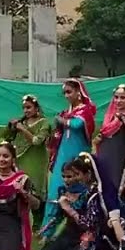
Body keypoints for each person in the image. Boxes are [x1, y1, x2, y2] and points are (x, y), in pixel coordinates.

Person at [12, 154, 96, 250]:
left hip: (83, 234)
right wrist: (46, 231)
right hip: (68, 232)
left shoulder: (88, 194)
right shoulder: (63, 191)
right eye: (64, 176)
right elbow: (58, 216)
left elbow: (87, 221)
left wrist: (68, 208)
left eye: (72, 176)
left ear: (84, 175)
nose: (67, 180)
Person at [58, 152, 121, 250]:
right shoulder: (97, 190)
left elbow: (88, 223)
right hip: (100, 241)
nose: (77, 179)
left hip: (105, 245)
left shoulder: (96, 195)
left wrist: (69, 209)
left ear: (89, 174)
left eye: (78, 174)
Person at [43, 79, 96, 233]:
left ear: (79, 93)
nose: (66, 96)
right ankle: (47, 231)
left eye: (69, 92)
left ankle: (80, 229)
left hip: (77, 155)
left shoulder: (85, 111)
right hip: (63, 154)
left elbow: (77, 125)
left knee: (79, 189)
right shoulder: (67, 113)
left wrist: (62, 121)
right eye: (64, 93)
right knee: (56, 188)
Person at [6, 94, 51, 228]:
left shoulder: (45, 123)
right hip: (22, 161)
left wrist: (22, 129)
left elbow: (37, 141)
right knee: (21, 190)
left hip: (37, 162)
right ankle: (19, 224)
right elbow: (9, 139)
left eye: (29, 107)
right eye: (24, 108)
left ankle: (38, 225)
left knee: (36, 190)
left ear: (37, 108)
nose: (26, 111)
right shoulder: (22, 122)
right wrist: (12, 127)